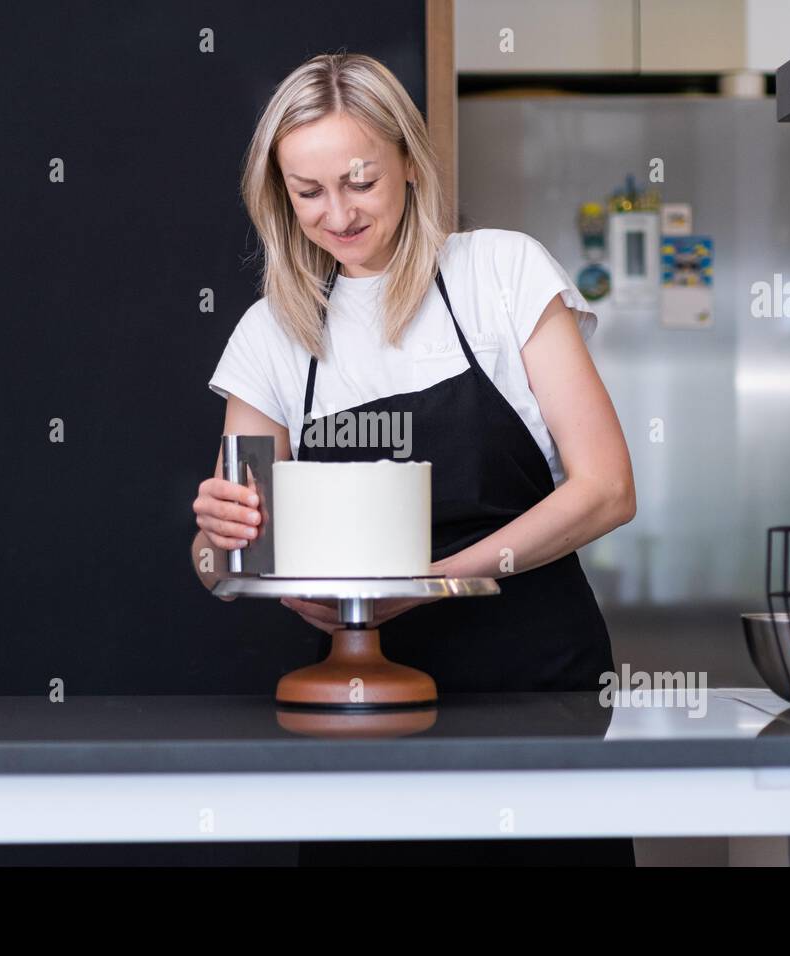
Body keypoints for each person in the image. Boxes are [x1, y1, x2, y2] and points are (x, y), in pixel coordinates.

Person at [190, 52, 636, 866]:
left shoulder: (499, 273)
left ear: (407, 158)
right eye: (307, 191)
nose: (336, 214)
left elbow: (607, 491)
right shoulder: (273, 331)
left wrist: (429, 583)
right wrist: (218, 536)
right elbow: (233, 554)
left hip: (534, 685)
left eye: (359, 180)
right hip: (360, 704)